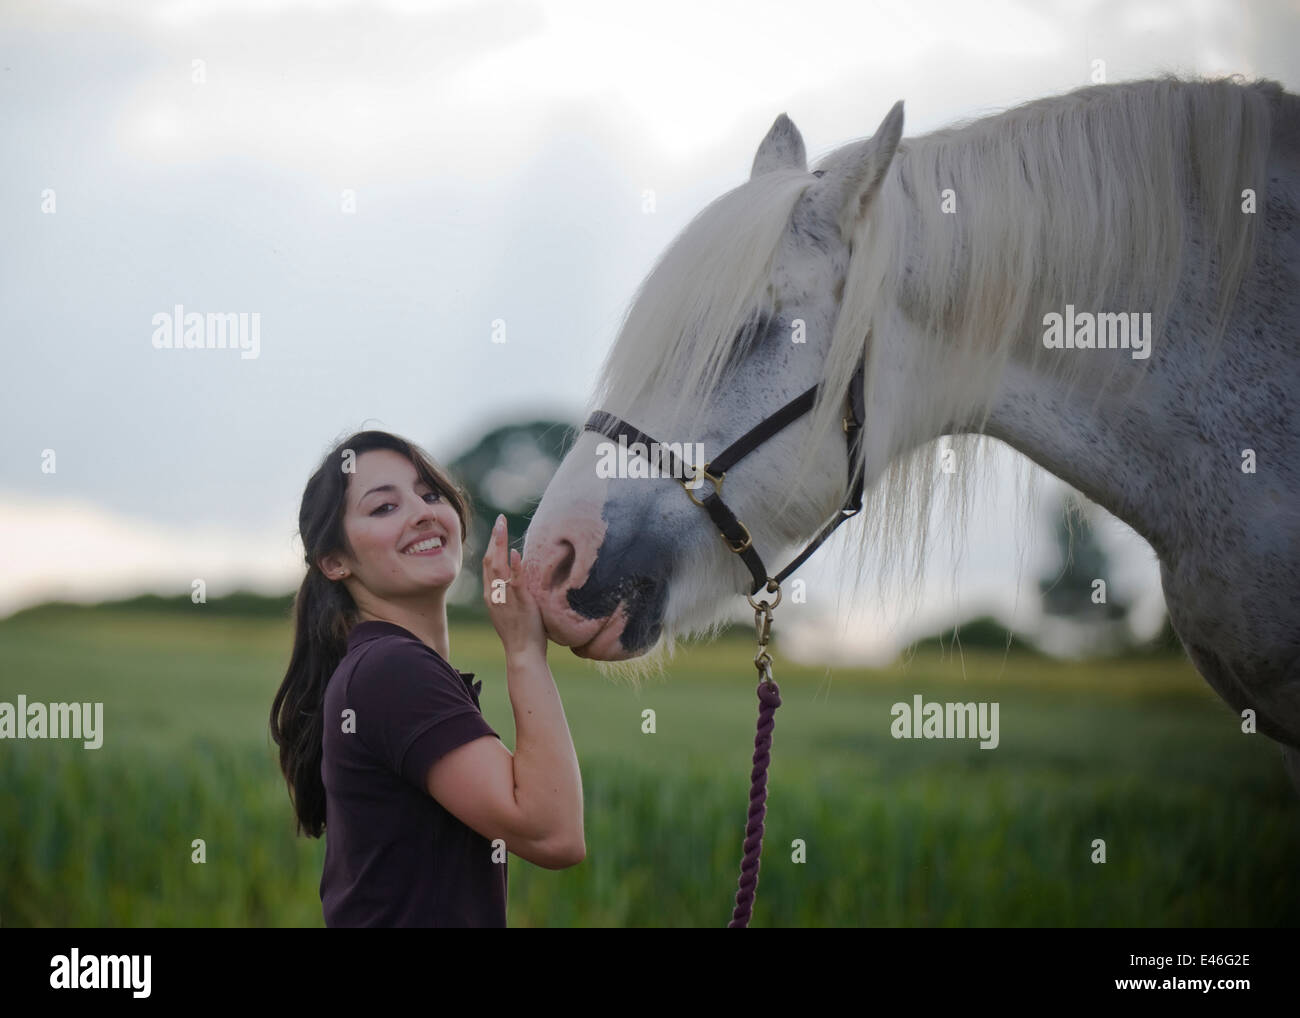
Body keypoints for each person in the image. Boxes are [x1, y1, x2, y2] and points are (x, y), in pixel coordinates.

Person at [269, 429, 584, 927]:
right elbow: (553, 833)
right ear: (334, 562)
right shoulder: (391, 672)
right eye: (383, 508)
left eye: (430, 493)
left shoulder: (386, 668)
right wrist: (524, 650)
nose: (421, 511)